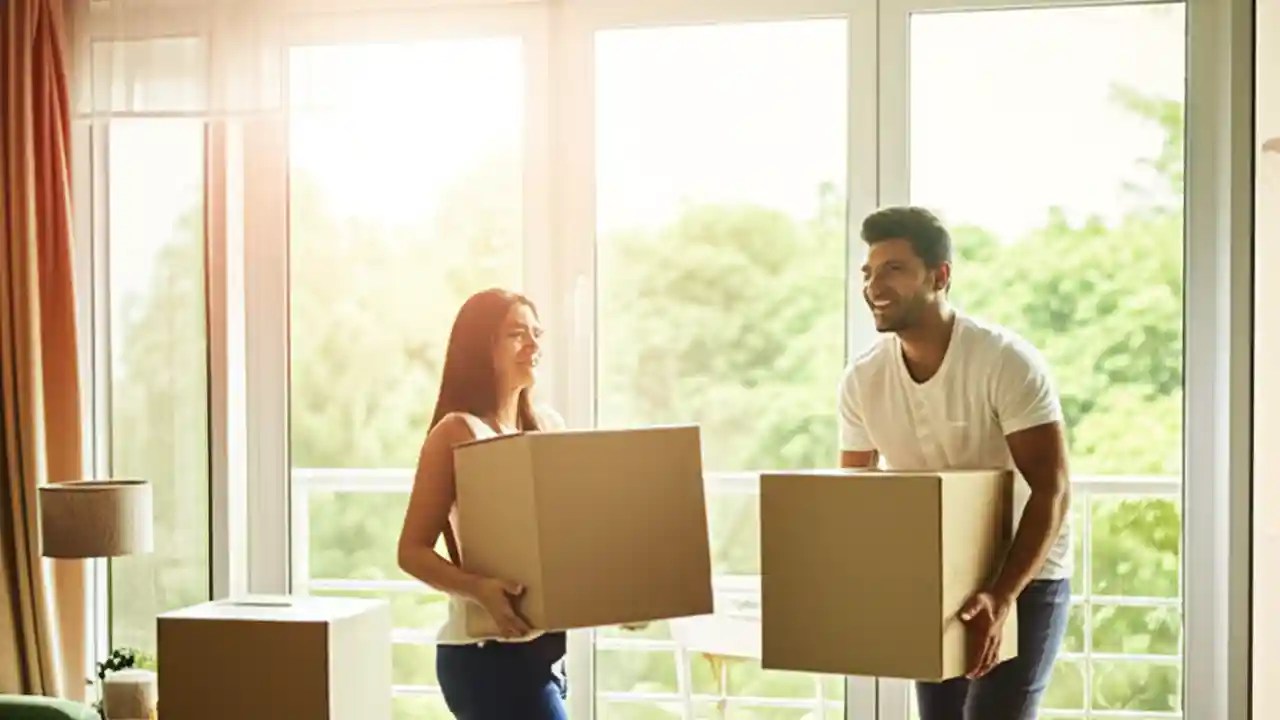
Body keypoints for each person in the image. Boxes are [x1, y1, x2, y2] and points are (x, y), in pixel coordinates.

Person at [837, 207, 1073, 720]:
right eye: (868, 272)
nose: (874, 285)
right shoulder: (862, 380)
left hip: (1025, 578)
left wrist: (1001, 596)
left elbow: (1052, 490)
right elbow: (855, 497)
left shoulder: (1005, 362)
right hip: (936, 580)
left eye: (894, 269)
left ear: (940, 276)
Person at [397, 288, 568, 719]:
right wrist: (479, 589)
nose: (533, 345)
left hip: (546, 652)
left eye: (537, 333)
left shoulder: (549, 427)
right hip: (484, 656)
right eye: (517, 334)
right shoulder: (457, 433)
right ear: (481, 346)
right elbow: (411, 551)